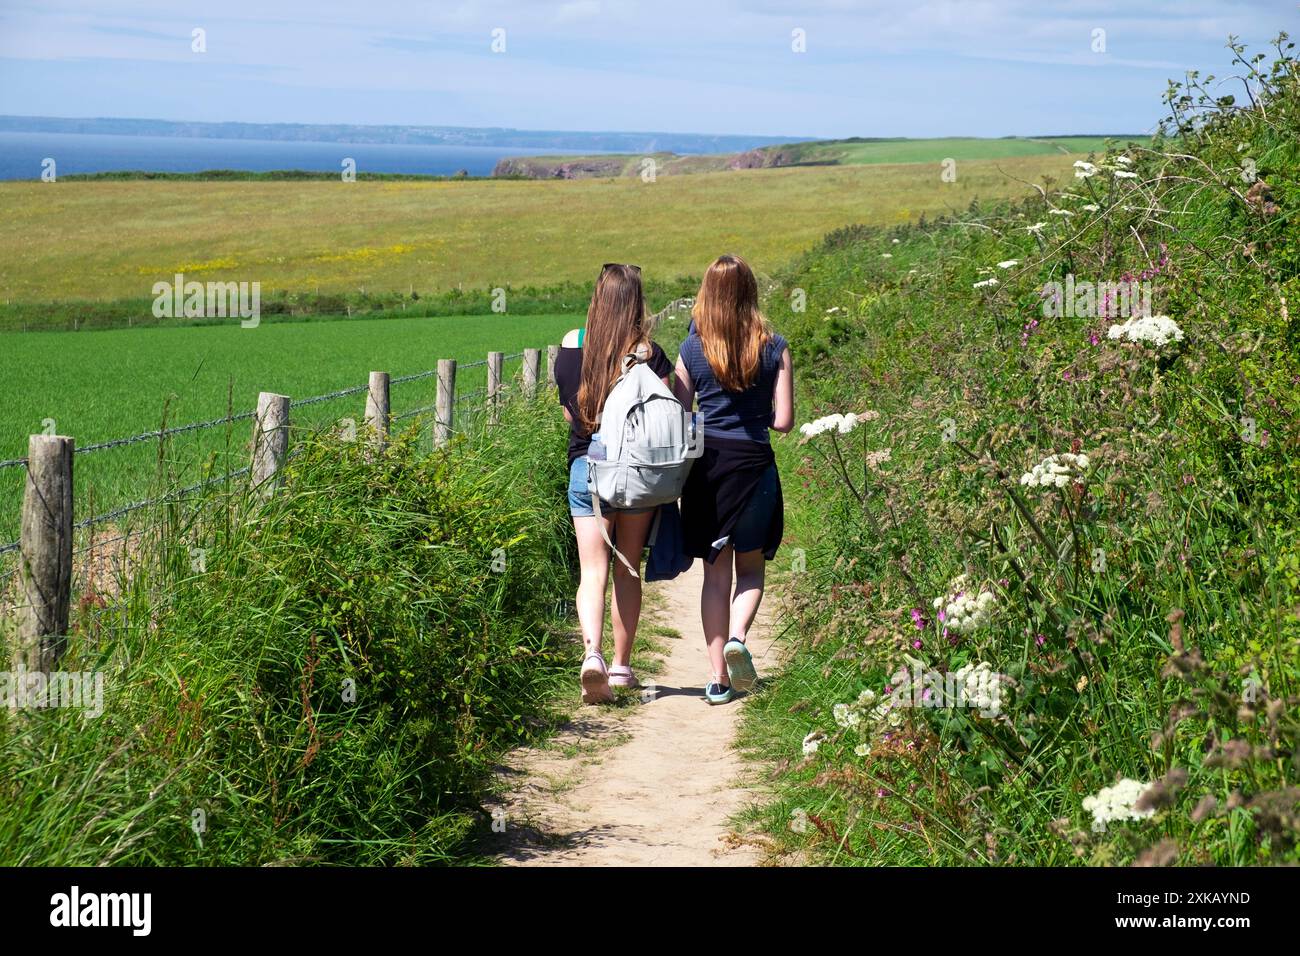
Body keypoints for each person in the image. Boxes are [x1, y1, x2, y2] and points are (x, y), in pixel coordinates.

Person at [674, 255, 793, 704]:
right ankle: (739, 637)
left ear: (706, 294)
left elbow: (680, 411)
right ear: (751, 293)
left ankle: (718, 679)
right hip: (756, 466)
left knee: (715, 577)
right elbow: (783, 421)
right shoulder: (775, 346)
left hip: (709, 470)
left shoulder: (692, 349)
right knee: (752, 569)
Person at [554, 263, 674, 704]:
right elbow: (667, 414)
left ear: (597, 298)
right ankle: (623, 669)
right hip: (636, 473)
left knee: (592, 569)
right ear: (636, 301)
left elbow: (570, 414)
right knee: (628, 565)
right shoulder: (648, 353)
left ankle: (592, 654)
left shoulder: (573, 344)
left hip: (587, 467)